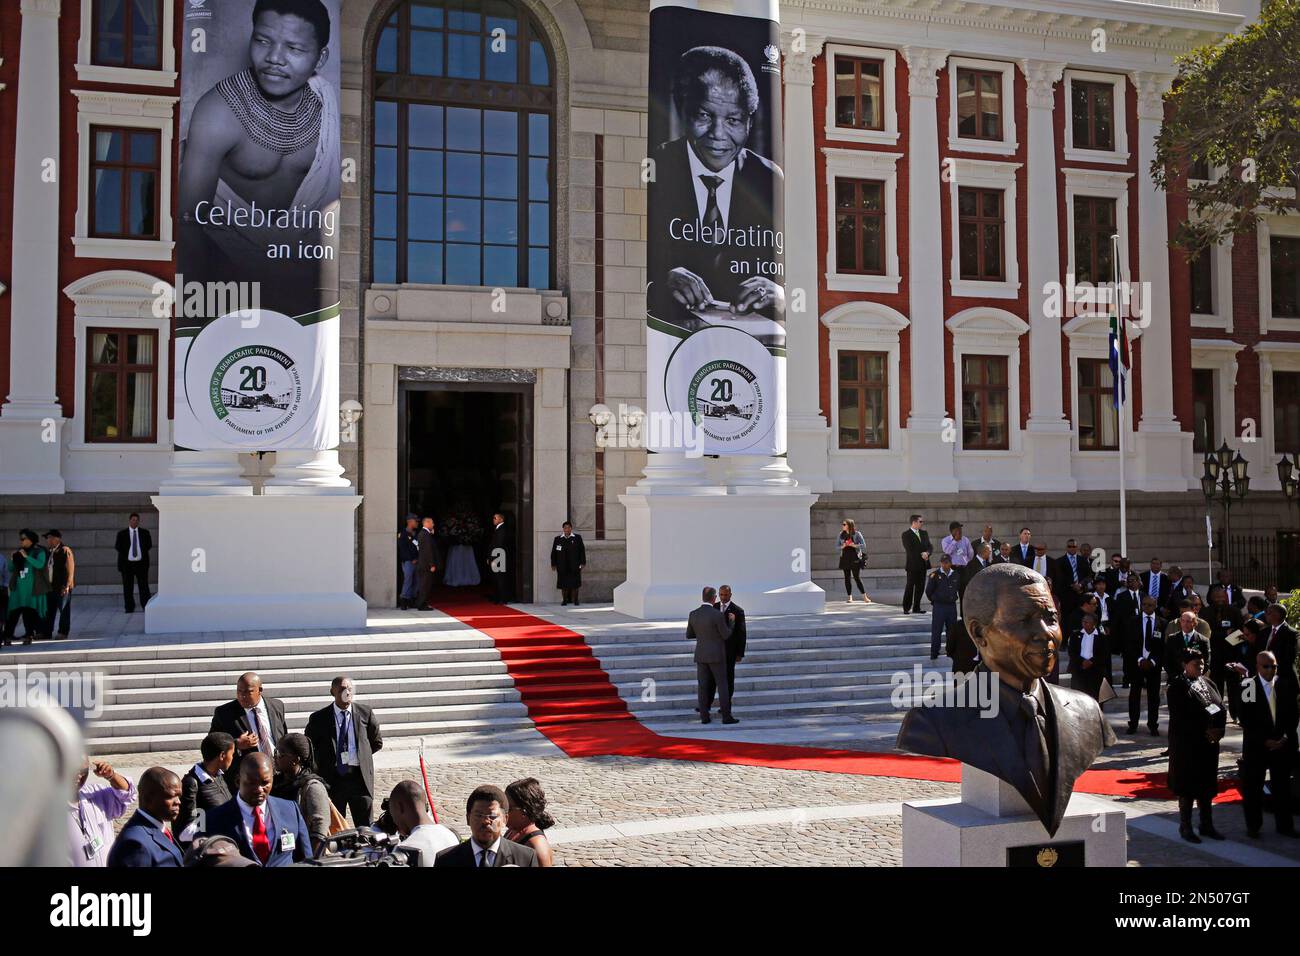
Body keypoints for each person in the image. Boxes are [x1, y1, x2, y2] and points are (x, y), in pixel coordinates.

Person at [895, 562, 1115, 837]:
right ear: (978, 633)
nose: (1046, 632)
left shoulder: (1088, 711)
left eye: (1051, 617)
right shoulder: (932, 721)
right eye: (1024, 620)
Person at [178, 0, 338, 304]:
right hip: (226, 277)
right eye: (263, 41)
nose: (274, 58)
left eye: (294, 48)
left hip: (304, 275)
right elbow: (189, 221)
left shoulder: (325, 107)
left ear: (320, 58)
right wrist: (196, 303)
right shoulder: (218, 111)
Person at [649, 45, 783, 323]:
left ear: (749, 122)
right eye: (704, 116)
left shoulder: (770, 179)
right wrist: (659, 284)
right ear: (681, 110)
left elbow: (803, 284)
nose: (718, 135)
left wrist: (780, 294)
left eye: (733, 120)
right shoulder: (654, 168)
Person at [1230, 651, 1300, 838]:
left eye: (1274, 666)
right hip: (1257, 746)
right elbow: (1246, 719)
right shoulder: (1248, 685)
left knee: (1282, 787)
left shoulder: (1284, 685)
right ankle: (1253, 826)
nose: (1270, 670)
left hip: (1281, 744)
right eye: (1266, 666)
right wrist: (1263, 739)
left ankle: (1285, 825)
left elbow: (1293, 714)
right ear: (1257, 666)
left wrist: (1285, 736)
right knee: (1253, 788)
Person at [205, 753, 314, 866]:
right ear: (238, 781)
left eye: (265, 783)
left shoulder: (290, 810)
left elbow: (306, 859)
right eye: (252, 783)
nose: (259, 789)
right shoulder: (214, 819)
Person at [304, 674, 383, 827]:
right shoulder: (319, 718)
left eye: (349, 689)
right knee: (336, 825)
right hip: (333, 779)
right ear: (332, 692)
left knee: (365, 825)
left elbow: (376, 742)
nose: (347, 692)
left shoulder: (365, 713)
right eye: (342, 689)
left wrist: (360, 756)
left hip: (359, 778)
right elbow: (310, 748)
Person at [1166, 649, 1227, 843]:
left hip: (1208, 745)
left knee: (1207, 786)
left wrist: (1219, 730)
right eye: (1195, 664)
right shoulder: (1177, 686)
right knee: (1188, 787)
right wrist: (1204, 730)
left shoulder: (1208, 683)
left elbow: (1220, 708)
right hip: (1187, 745)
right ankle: (1186, 826)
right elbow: (1180, 717)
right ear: (1185, 665)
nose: (1200, 667)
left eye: (1202, 663)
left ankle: (1206, 824)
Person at [208, 672, 287, 788]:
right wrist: (236, 744)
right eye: (239, 691)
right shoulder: (224, 713)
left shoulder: (277, 706)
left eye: (247, 691)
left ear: (259, 690)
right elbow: (211, 745)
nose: (242, 696)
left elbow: (283, 736)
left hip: (279, 776)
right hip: (247, 781)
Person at [435, 785, 539, 867]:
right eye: (479, 815)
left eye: (492, 816)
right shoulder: (446, 860)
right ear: (468, 818)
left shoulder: (525, 858)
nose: (485, 821)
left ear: (505, 819)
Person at [106, 768, 184, 868]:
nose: (178, 802)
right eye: (170, 796)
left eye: (179, 796)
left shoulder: (157, 827)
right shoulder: (134, 845)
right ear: (148, 798)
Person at [273, 733, 334, 858]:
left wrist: (311, 861)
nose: (275, 757)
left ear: (296, 760)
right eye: (275, 752)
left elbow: (319, 831)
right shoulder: (275, 783)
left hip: (302, 854)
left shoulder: (312, 787)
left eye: (280, 754)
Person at [70, 758, 137, 867]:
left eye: (83, 772)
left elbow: (127, 794)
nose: (79, 776)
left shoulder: (95, 794)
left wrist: (112, 776)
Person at [687, 586, 737, 724]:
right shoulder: (717, 615)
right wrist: (732, 622)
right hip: (717, 655)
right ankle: (726, 717)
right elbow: (726, 635)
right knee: (722, 685)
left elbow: (689, 634)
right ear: (714, 597)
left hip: (701, 654)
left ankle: (704, 717)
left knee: (702, 686)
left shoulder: (693, 614)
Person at [177, 732, 236, 843]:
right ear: (222, 756)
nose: (233, 758)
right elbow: (186, 831)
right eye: (232, 754)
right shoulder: (191, 783)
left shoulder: (219, 775)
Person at [388, 780, 458, 866]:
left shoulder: (404, 851)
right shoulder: (451, 835)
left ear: (400, 807)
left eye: (392, 814)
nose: (394, 821)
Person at [1126, 596, 1165, 735]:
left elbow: (1162, 647)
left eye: (1150, 605)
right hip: (1137, 664)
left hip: (1154, 665)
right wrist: (1140, 659)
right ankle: (1133, 724)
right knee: (1134, 695)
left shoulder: (1162, 623)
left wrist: (1153, 661)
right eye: (1144, 604)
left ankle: (1153, 724)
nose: (1147, 607)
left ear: (1155, 606)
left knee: (1154, 697)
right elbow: (1129, 643)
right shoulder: (1133, 621)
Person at [4, 530, 48, 645]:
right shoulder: (19, 552)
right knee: (13, 613)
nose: (21, 541)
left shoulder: (39, 552)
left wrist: (27, 557)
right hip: (17, 590)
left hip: (31, 589)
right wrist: (12, 559)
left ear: (30, 539)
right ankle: (7, 636)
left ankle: (28, 636)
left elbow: (40, 565)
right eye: (20, 539)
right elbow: (10, 569)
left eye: (23, 539)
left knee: (29, 613)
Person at [505, 777, 556, 867]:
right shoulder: (512, 830)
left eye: (508, 808)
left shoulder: (537, 847)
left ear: (524, 812)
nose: (502, 812)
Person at [714, 584, 746, 715]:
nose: (723, 597)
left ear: (730, 595)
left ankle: (726, 706)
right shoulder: (714, 608)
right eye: (721, 594)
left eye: (725, 595)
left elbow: (742, 633)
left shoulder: (738, 611)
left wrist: (740, 653)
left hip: (730, 652)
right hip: (715, 651)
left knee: (728, 679)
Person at [925, 555, 960, 662]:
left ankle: (950, 651)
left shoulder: (956, 574)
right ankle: (934, 652)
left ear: (951, 563)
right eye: (943, 562)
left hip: (951, 606)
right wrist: (935, 600)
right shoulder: (934, 575)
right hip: (939, 606)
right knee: (937, 630)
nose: (945, 565)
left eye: (947, 562)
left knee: (951, 630)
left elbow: (958, 588)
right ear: (941, 563)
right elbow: (928, 591)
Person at [114, 513, 151, 613]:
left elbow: (149, 545)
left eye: (136, 520)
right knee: (127, 587)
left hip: (141, 564)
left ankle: (146, 606)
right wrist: (128, 554)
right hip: (127, 565)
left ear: (138, 521)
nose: (135, 521)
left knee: (143, 586)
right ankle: (129, 607)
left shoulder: (145, 533)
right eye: (133, 520)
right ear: (129, 521)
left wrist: (140, 552)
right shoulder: (122, 534)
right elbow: (118, 546)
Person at [42, 530, 74, 640]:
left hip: (62, 587)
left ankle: (63, 632)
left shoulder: (65, 550)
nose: (48, 540)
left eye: (50, 537)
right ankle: (46, 632)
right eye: (47, 538)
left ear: (57, 539)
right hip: (50, 586)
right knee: (49, 611)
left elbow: (70, 570)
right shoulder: (49, 552)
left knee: (64, 610)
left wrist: (67, 585)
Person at [1068, 612, 1108, 700]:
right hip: (1079, 669)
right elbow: (1072, 651)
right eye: (1083, 621)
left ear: (1094, 624)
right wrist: (1082, 661)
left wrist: (1091, 662)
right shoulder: (1075, 635)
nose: (1084, 624)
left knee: (1094, 696)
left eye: (1087, 622)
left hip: (1095, 671)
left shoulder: (1101, 637)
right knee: (1078, 696)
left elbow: (1104, 654)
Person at [1165, 608, 1212, 679]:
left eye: (1188, 621)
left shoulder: (1203, 640)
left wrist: (1195, 675)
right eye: (1183, 621)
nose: (1185, 624)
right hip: (1176, 679)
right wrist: (1175, 676)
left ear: (1194, 623)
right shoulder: (1172, 639)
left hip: (1195, 679)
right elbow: (1167, 660)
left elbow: (1206, 662)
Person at [551, 521, 587, 606]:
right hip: (562, 565)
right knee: (563, 584)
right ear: (563, 529)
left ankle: (576, 600)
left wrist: (583, 562)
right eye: (565, 527)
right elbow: (554, 553)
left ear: (571, 528)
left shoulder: (577, 538)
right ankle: (564, 600)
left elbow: (582, 551)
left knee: (575, 584)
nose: (567, 529)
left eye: (568, 527)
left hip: (574, 565)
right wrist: (553, 564)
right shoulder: (558, 539)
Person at [900, 514, 931, 614]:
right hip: (912, 565)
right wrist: (921, 554)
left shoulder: (924, 533)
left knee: (920, 587)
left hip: (923, 565)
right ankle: (906, 607)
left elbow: (930, 546)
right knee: (910, 586)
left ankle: (916, 607)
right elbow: (909, 549)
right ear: (914, 522)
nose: (922, 523)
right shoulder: (906, 534)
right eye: (920, 521)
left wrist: (928, 553)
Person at [1261, 603, 1298, 678]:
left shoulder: (1291, 633)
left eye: (1268, 613)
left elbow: (1287, 659)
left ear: (1277, 615)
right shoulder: (1264, 631)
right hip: (1266, 677)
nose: (1265, 615)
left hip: (1283, 679)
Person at [838, 519, 868, 603]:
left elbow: (864, 546)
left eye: (844, 524)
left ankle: (865, 596)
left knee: (856, 577)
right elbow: (837, 547)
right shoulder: (841, 535)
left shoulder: (857, 534)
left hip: (855, 557)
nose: (842, 526)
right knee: (847, 578)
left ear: (849, 525)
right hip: (845, 558)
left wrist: (854, 545)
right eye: (843, 524)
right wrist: (843, 546)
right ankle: (849, 597)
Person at [415, 516, 440, 610]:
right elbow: (428, 551)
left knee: (424, 585)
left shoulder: (425, 534)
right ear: (427, 523)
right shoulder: (425, 534)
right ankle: (421, 604)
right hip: (426, 565)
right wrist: (432, 564)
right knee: (425, 585)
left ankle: (421, 603)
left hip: (423, 564)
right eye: (432, 523)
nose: (433, 524)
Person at [397, 514, 420, 610]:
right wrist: (411, 559)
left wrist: (418, 558)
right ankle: (404, 599)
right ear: (410, 521)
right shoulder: (403, 534)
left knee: (416, 581)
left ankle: (412, 599)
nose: (417, 523)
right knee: (408, 580)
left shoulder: (416, 534)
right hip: (408, 562)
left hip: (417, 561)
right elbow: (403, 549)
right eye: (416, 521)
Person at [489, 512, 512, 604]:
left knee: (500, 578)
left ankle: (502, 598)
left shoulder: (503, 529)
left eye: (495, 518)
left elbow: (499, 545)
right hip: (497, 556)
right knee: (496, 578)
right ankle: (497, 597)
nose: (493, 520)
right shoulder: (498, 529)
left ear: (501, 519)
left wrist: (494, 558)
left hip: (499, 557)